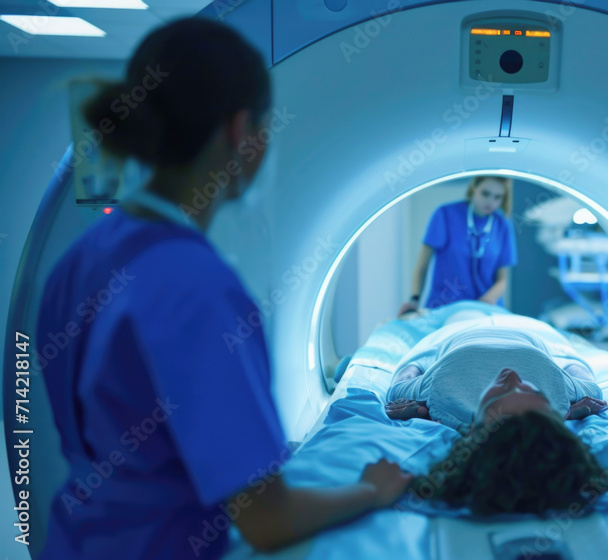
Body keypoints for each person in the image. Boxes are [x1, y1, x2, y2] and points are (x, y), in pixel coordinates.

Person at [35, 18, 410, 560]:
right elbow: (267, 519)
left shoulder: (80, 259)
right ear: (240, 133)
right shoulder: (199, 289)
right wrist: (371, 490)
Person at [383, 314, 608, 514]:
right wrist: (565, 411)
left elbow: (403, 378)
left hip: (455, 329)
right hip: (531, 328)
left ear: (474, 428)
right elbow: (579, 370)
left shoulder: (444, 397)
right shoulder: (558, 393)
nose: (512, 375)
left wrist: (422, 407)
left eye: (498, 392)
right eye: (530, 389)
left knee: (448, 312)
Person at [398, 176, 517, 316]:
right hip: (444, 308)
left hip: (486, 311)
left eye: (498, 197)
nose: (491, 202)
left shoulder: (503, 225)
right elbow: (422, 266)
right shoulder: (445, 214)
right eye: (485, 194)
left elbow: (502, 280)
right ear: (474, 188)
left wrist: (486, 301)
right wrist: (414, 299)